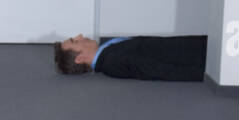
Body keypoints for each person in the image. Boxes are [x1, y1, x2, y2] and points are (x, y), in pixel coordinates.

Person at [55, 34, 208, 80]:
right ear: (80, 59)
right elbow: (157, 71)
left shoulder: (107, 52)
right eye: (75, 41)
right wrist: (207, 75)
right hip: (198, 57)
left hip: (195, 47)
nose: (80, 36)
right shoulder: (112, 63)